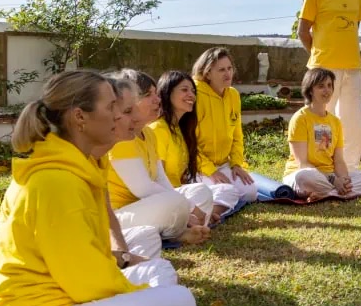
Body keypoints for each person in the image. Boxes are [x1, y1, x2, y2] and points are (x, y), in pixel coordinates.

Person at [0, 71, 196, 306]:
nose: (118, 117)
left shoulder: (76, 166)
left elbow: (86, 264)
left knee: (160, 273)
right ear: (79, 117)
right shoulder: (56, 181)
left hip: (60, 301)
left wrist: (132, 282)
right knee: (180, 300)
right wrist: (135, 293)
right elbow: (86, 283)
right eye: (111, 107)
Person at [105, 70, 212, 245]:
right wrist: (188, 207)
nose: (158, 100)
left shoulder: (149, 133)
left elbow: (161, 179)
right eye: (148, 95)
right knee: (176, 202)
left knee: (201, 191)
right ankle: (177, 232)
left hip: (150, 206)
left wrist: (187, 206)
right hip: (122, 214)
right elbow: (143, 188)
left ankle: (177, 229)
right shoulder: (122, 138)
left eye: (156, 93)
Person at [298, 0, 361, 169]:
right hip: (325, 69)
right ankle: (319, 167)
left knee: (353, 124)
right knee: (321, 122)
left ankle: (351, 170)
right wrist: (319, 60)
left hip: (353, 69)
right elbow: (303, 32)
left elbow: (353, 28)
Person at [150, 70, 240, 223]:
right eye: (184, 90)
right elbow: (158, 181)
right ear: (167, 93)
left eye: (193, 91)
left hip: (181, 193)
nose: (191, 95)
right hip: (164, 196)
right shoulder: (158, 129)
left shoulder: (181, 130)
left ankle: (203, 217)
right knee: (201, 191)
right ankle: (202, 217)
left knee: (228, 190)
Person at [283, 68, 361, 200]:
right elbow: (302, 163)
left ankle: (329, 194)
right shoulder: (300, 118)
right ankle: (339, 193)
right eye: (321, 86)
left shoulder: (335, 122)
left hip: (330, 176)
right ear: (310, 90)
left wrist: (344, 180)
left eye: (329, 86)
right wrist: (334, 180)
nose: (327, 90)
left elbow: (339, 160)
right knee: (304, 177)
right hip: (304, 175)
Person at [192, 48, 259, 205]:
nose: (227, 74)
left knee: (251, 192)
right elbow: (188, 142)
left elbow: (237, 135)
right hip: (199, 168)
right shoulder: (196, 95)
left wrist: (236, 164)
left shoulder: (233, 95)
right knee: (220, 193)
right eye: (221, 70)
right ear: (207, 73)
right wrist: (210, 170)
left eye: (229, 68)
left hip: (223, 165)